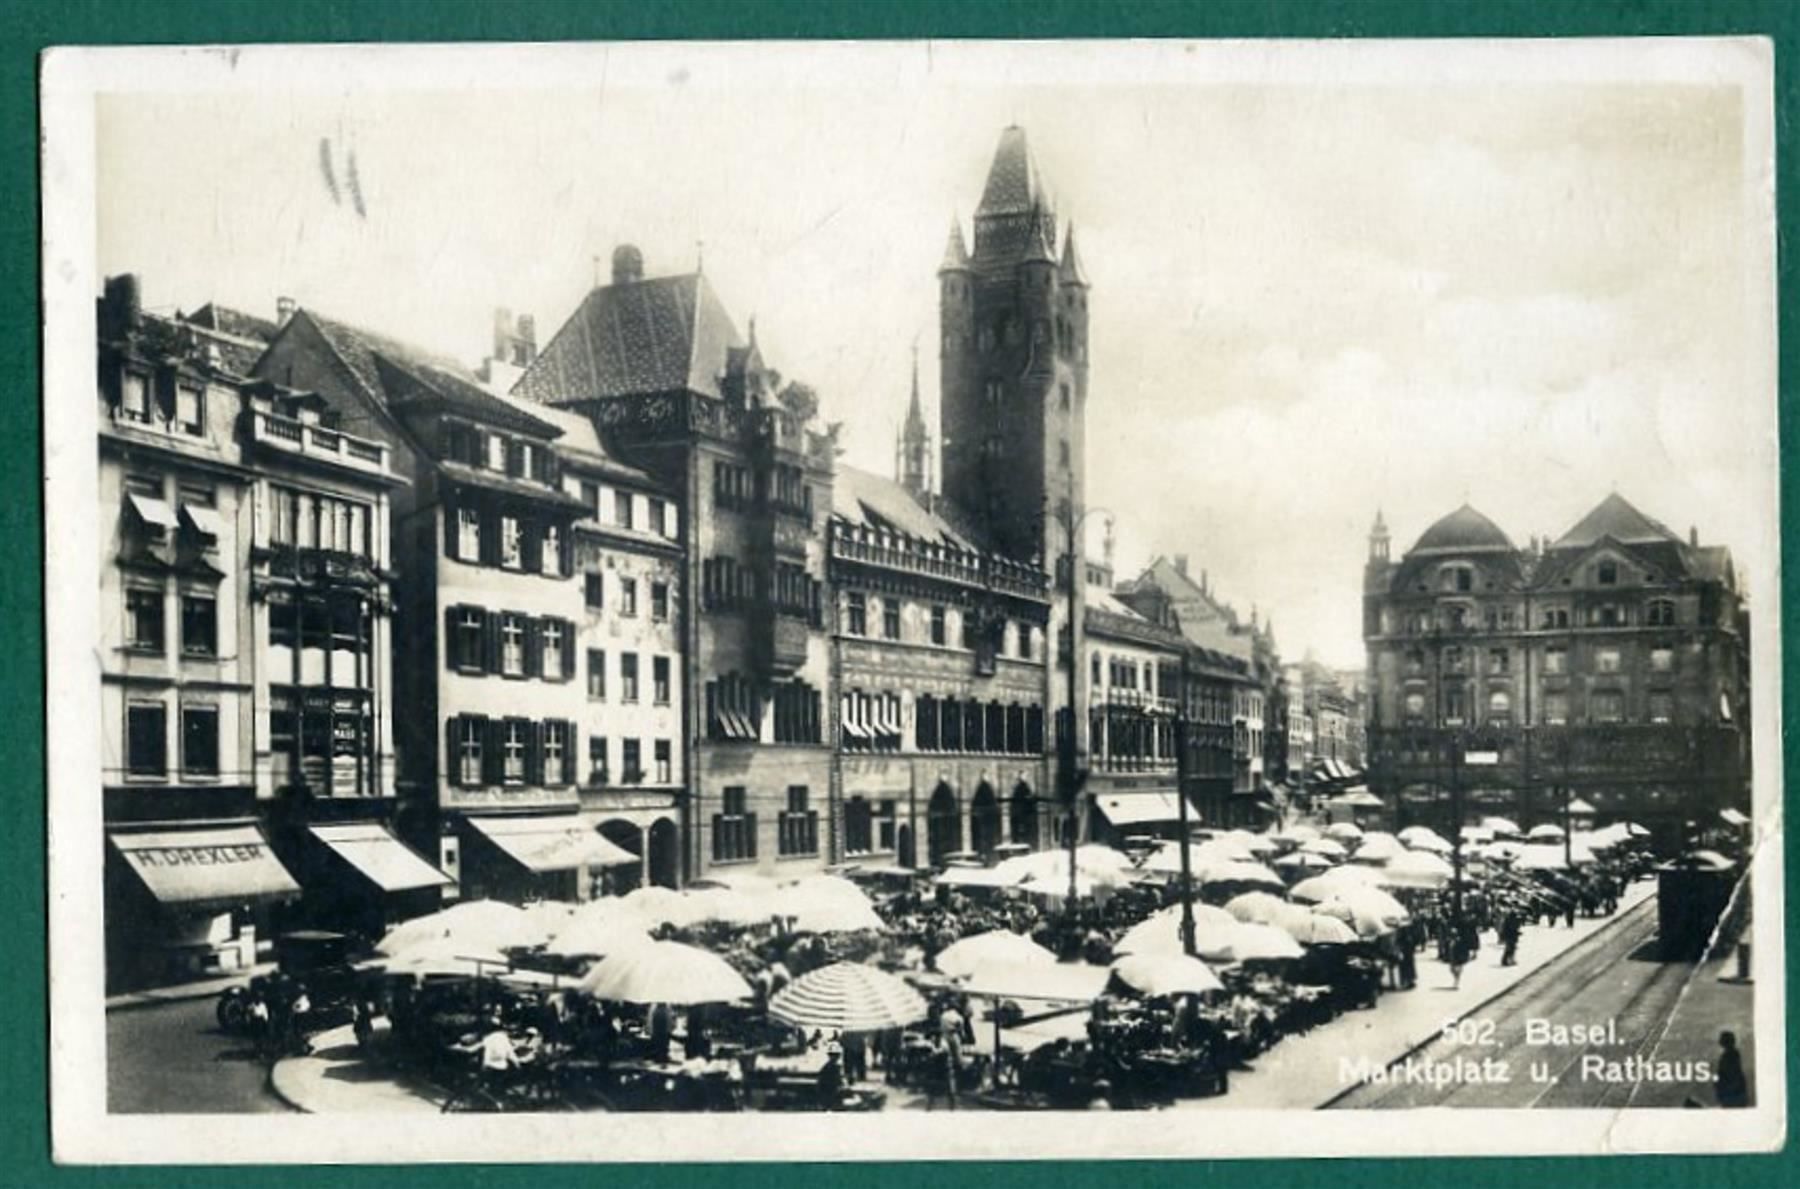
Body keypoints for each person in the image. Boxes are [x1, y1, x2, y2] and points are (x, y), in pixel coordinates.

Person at [1715, 1031, 1749, 1108]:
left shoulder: (1729, 1055)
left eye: (1722, 1039)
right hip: (1732, 1092)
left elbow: (1730, 1074)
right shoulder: (1732, 1054)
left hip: (1731, 1094)